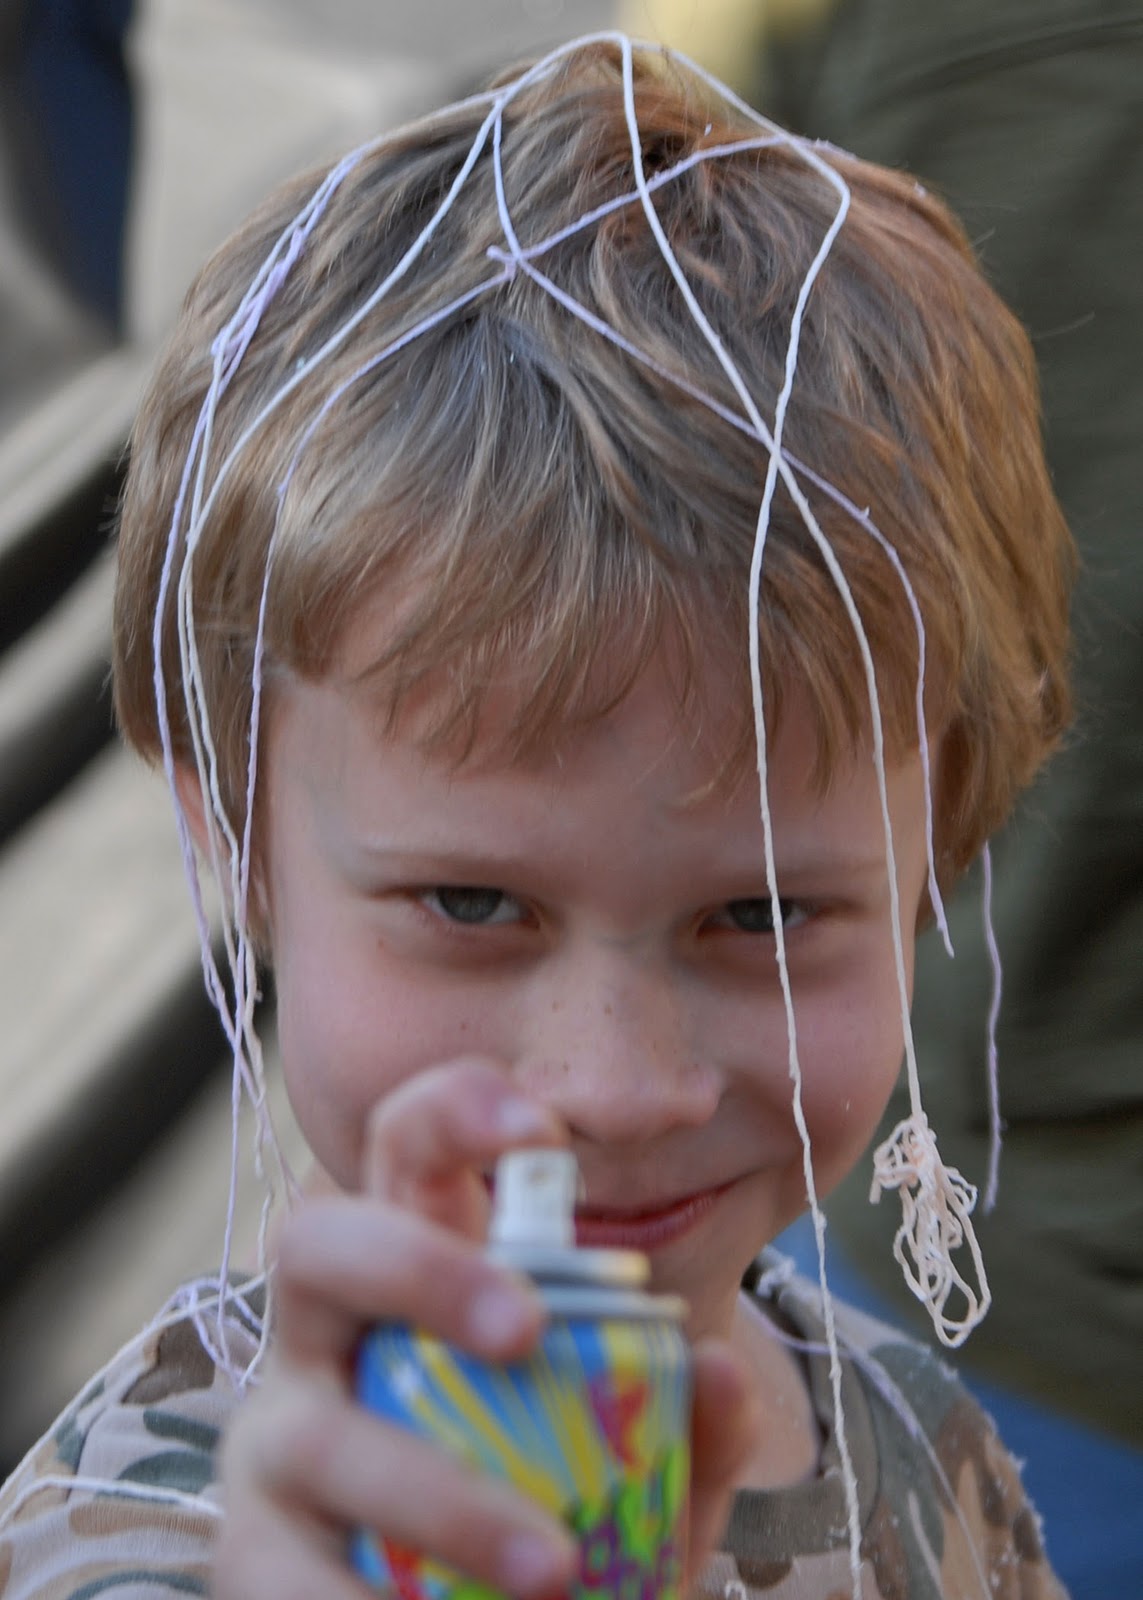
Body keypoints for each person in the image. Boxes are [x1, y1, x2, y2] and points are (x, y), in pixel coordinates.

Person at [0, 37, 1074, 1600]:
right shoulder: (169, 1541)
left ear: (940, 854)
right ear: (232, 835)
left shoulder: (923, 1443)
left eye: (763, 916)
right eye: (474, 905)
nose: (613, 1084)